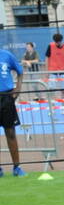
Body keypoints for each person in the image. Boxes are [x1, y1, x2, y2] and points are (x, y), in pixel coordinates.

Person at [0, 45, 26, 176]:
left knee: (10, 133)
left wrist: (18, 88)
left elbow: (20, 72)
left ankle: (17, 167)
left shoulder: (6, 55)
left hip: (6, 98)